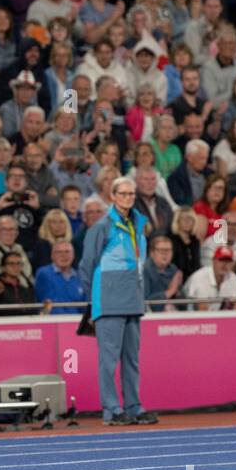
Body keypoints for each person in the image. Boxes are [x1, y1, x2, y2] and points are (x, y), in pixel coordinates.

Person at [79, 176, 159, 426]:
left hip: (134, 300)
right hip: (109, 301)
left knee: (131, 359)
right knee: (109, 359)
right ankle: (112, 409)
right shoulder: (101, 226)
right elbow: (87, 266)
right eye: (123, 194)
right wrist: (95, 300)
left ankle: (133, 406)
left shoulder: (138, 224)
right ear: (113, 196)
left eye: (131, 194)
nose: (128, 198)